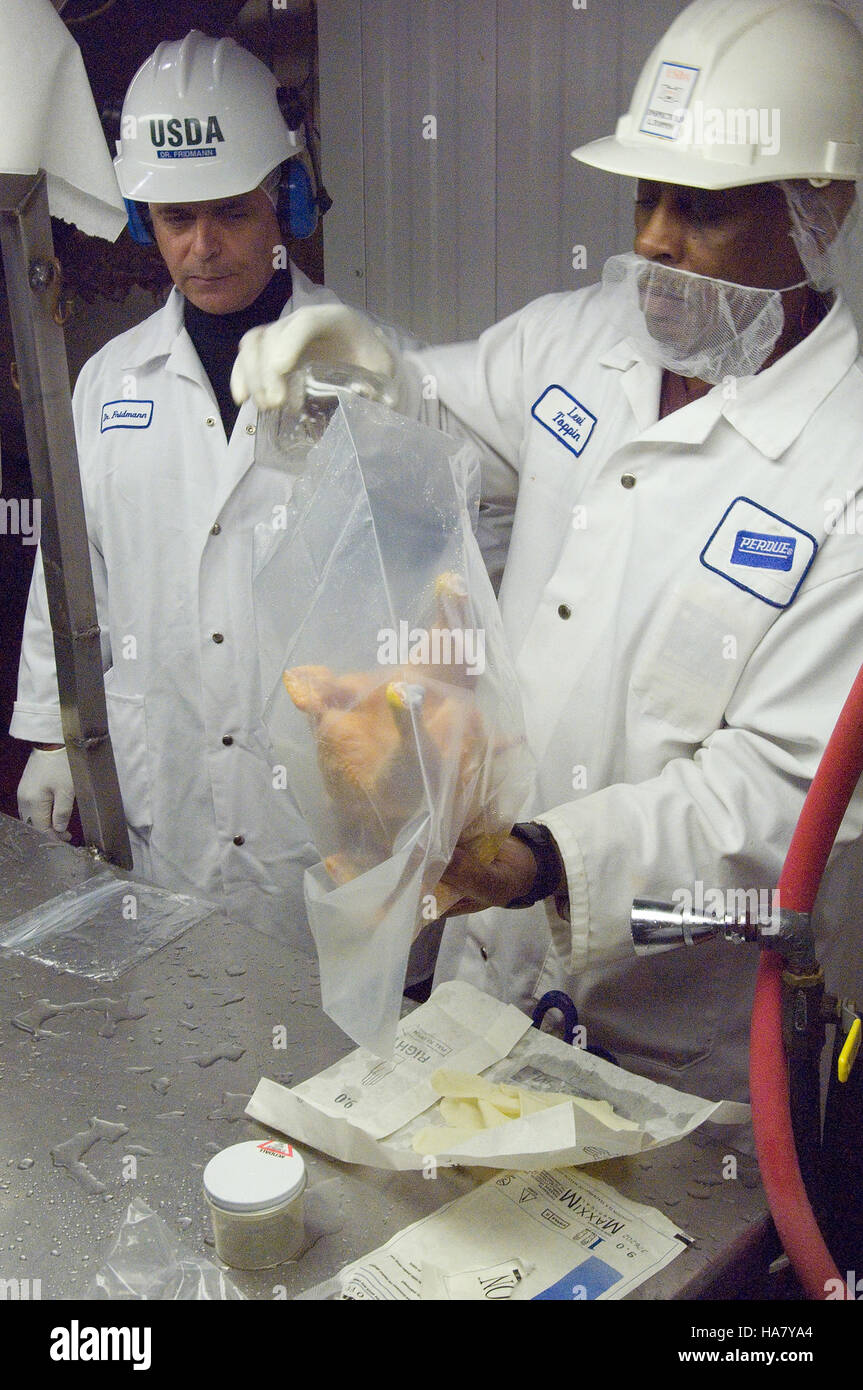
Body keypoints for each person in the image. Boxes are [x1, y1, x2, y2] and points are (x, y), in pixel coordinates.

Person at [231, 0, 863, 1100]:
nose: (652, 240)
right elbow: (436, 418)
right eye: (644, 197)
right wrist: (355, 373)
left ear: (819, 210)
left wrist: (539, 857)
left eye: (700, 209)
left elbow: (776, 798)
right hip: (483, 985)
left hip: (675, 1042)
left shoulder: (842, 466)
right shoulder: (583, 338)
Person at [12, 31, 342, 944]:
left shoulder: (376, 374)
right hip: (172, 799)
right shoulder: (108, 380)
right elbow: (73, 565)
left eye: (231, 213)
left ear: (287, 198)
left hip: (322, 820)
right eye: (173, 218)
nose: (202, 248)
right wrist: (49, 729)